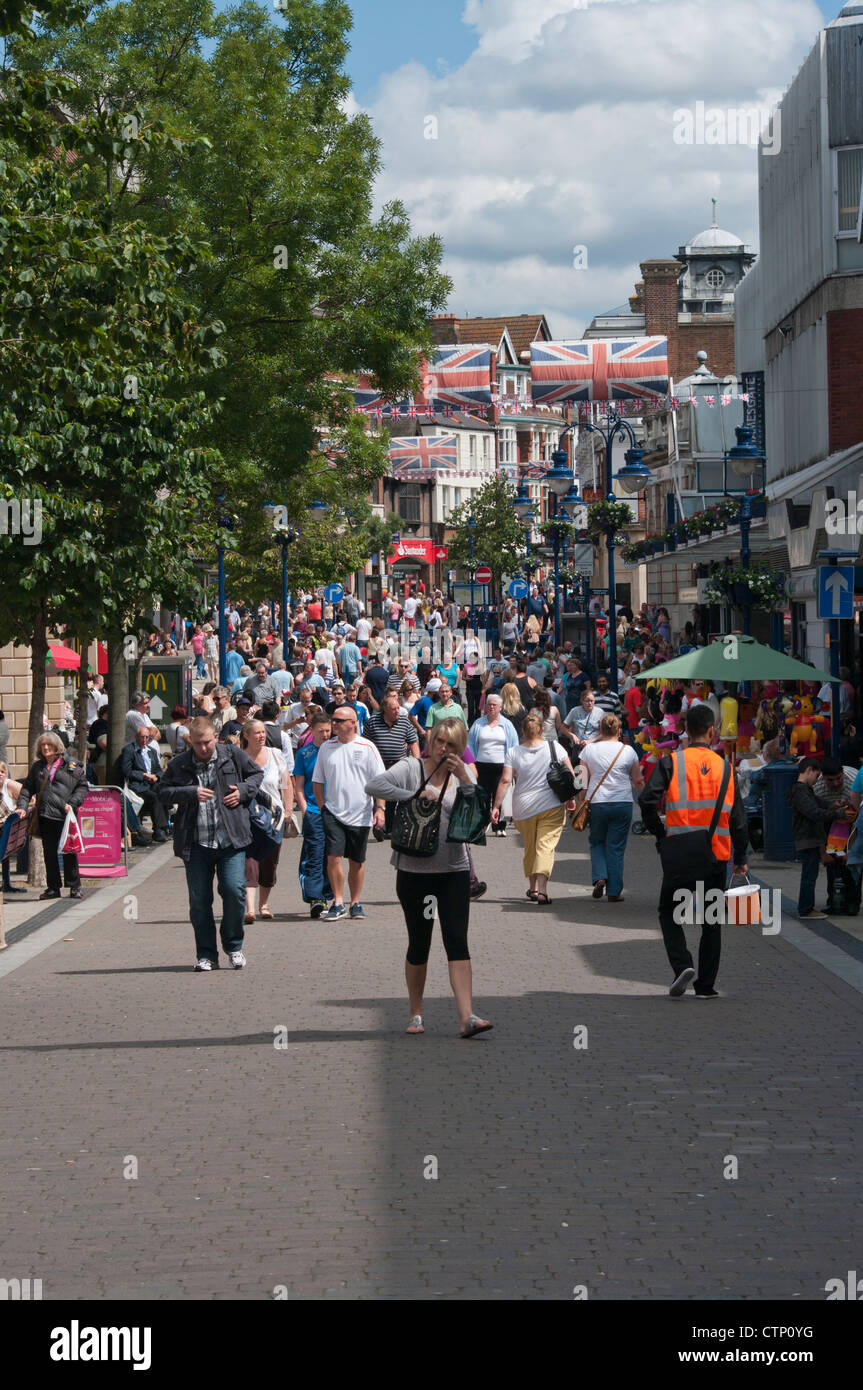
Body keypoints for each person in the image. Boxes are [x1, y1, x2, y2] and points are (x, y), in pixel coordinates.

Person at [365, 717, 493, 1038]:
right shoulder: (412, 767)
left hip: (453, 871)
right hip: (414, 873)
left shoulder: (464, 774)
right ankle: (416, 1013)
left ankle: (467, 1017)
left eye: (451, 744)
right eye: (439, 741)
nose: (443, 749)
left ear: (460, 747)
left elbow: (478, 818)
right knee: (419, 942)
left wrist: (464, 775)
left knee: (457, 941)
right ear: (431, 739)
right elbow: (374, 785)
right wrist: (413, 794)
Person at [639, 703, 749, 999]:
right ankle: (706, 986)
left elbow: (647, 800)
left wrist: (661, 835)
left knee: (669, 913)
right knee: (711, 921)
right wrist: (741, 859)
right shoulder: (727, 769)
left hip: (681, 853)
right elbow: (738, 820)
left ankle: (682, 964)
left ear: (685, 730)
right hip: (716, 856)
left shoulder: (670, 763)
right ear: (713, 732)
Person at [158, 715, 264, 970]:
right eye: (197, 744)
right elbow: (161, 792)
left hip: (230, 839)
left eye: (206, 742)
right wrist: (189, 794)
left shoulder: (231, 755)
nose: (203, 748)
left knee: (234, 891)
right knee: (199, 901)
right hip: (196, 843)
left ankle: (234, 945)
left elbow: (256, 776)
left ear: (215, 738)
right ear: (190, 742)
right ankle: (206, 955)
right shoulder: (180, 764)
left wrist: (242, 790)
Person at [491, 712, 577, 905]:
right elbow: (571, 775)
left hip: (523, 808)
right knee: (544, 847)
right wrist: (572, 798)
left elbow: (505, 781)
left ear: (522, 731)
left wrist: (496, 806)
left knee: (531, 847)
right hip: (552, 804)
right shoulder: (555, 747)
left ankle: (533, 888)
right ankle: (543, 891)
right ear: (542, 729)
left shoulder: (513, 752)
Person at [312, 704, 385, 921]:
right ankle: (337, 901)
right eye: (333, 720)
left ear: (353, 723)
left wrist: (380, 808)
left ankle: (355, 902)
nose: (334, 723)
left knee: (356, 861)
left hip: (360, 814)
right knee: (333, 856)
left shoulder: (368, 747)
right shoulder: (326, 747)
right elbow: (318, 781)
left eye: (339, 720)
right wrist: (323, 807)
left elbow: (380, 782)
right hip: (333, 812)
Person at [576, 713, 644, 901]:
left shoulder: (588, 751)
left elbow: (581, 779)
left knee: (597, 842)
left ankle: (599, 876)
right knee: (616, 847)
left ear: (600, 730)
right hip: (622, 802)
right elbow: (637, 779)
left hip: (597, 802)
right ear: (619, 731)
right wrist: (646, 800)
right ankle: (614, 891)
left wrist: (580, 801)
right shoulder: (628, 751)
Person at [15, 731, 89, 899]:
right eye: (43, 745)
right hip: (45, 816)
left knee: (70, 852)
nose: (46, 748)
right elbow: (27, 789)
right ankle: (53, 888)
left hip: (66, 816)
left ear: (57, 747)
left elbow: (83, 787)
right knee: (49, 853)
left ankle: (74, 887)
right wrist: (22, 806)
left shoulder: (71, 765)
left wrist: (72, 803)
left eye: (49, 745)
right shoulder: (37, 767)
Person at [240, 719, 293, 923]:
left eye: (263, 732)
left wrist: (288, 811)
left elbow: (286, 784)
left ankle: (264, 904)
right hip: (247, 817)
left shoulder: (275, 754)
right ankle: (250, 909)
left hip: (273, 816)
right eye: (257, 732)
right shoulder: (239, 757)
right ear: (246, 735)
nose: (261, 735)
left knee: (269, 862)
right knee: (249, 860)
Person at [788, 757, 854, 920]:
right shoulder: (800, 790)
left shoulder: (804, 790)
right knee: (809, 875)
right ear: (809, 770)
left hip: (808, 837)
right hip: (807, 838)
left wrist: (835, 804)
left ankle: (807, 907)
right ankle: (806, 909)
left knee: (811, 873)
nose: (817, 780)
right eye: (817, 776)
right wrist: (838, 813)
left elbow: (820, 803)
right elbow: (814, 812)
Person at [292, 709, 334, 917]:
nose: (325, 735)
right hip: (314, 810)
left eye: (328, 731)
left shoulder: (336, 750)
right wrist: (305, 808)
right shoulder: (304, 753)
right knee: (315, 853)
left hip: (335, 810)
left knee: (332, 854)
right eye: (321, 731)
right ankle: (316, 897)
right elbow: (299, 784)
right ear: (312, 730)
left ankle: (330, 893)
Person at [366, 692, 420, 834]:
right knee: (379, 795)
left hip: (398, 766)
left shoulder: (404, 722)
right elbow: (365, 743)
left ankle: (387, 828)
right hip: (379, 765)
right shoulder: (373, 722)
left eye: (398, 708)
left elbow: (413, 743)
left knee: (394, 798)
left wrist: (418, 763)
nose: (397, 711)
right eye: (394, 709)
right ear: (385, 709)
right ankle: (379, 823)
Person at [466, 693, 518, 836]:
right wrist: (471, 763)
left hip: (501, 766)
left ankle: (499, 827)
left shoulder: (507, 725)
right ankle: (482, 825)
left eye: (494, 705)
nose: (491, 707)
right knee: (482, 796)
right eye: (489, 705)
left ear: (500, 707)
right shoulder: (478, 724)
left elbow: (514, 746)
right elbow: (469, 745)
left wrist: (514, 766)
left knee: (499, 796)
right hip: (481, 765)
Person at [120, 725, 171, 843]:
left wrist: (156, 776)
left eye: (147, 737)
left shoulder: (151, 751)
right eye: (142, 737)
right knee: (155, 797)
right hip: (138, 785)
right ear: (136, 737)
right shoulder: (129, 750)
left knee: (163, 791)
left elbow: (158, 769)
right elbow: (126, 771)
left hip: (152, 783)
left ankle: (162, 828)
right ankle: (159, 829)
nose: (144, 740)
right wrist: (143, 775)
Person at [0, 762, 26, 896]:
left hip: (5, 833)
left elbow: (30, 799)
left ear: (6, 774)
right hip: (9, 836)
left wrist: (16, 810)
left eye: (2, 772)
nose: (0, 774)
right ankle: (6, 882)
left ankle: (6, 882)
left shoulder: (9, 785)